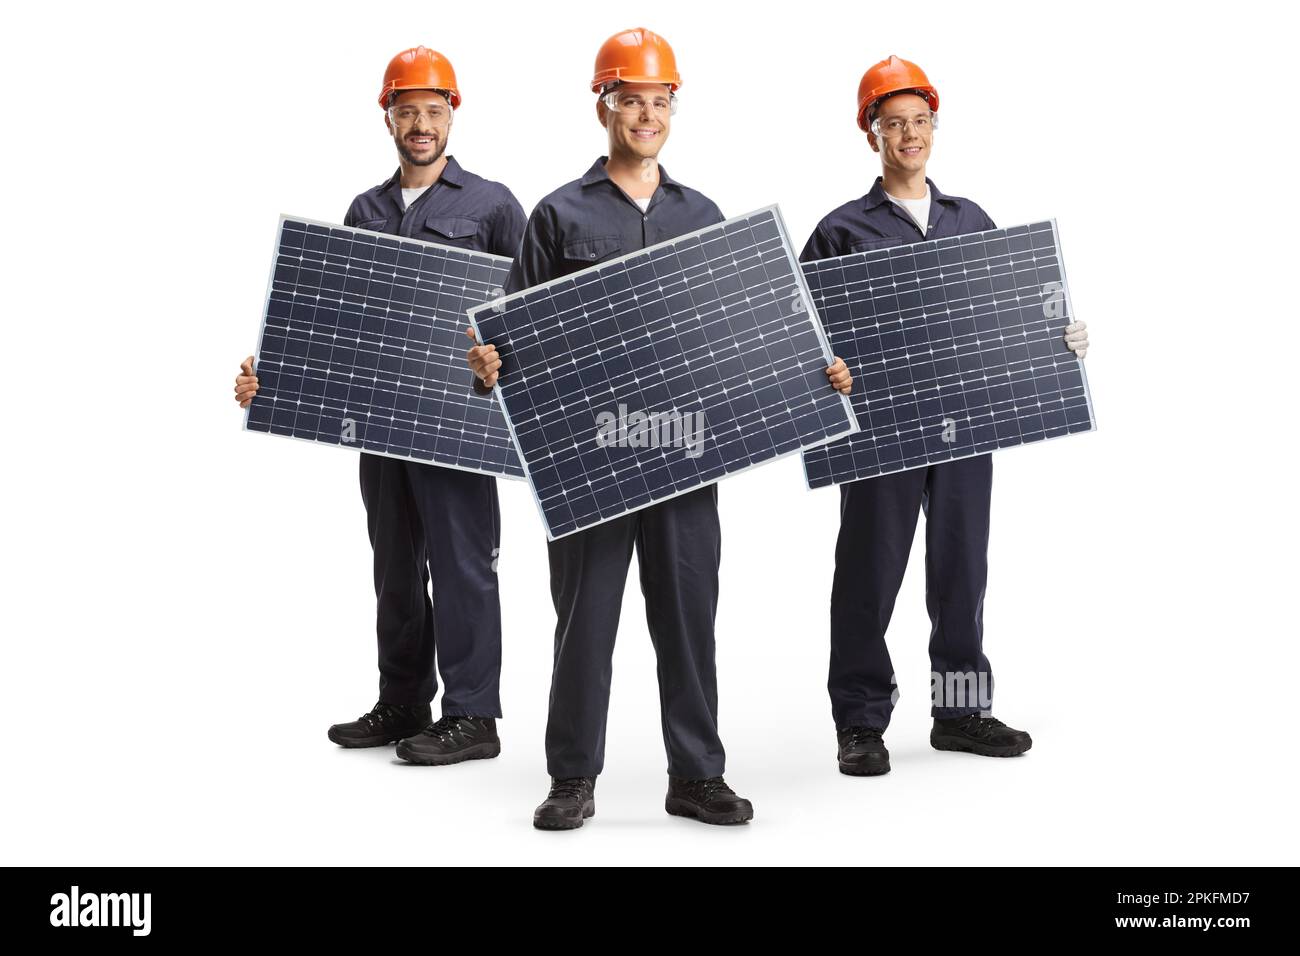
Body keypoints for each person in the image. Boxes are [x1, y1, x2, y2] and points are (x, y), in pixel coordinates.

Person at [469, 27, 852, 829]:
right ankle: (572, 778)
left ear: (673, 109)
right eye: (631, 99)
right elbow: (509, 337)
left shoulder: (704, 214)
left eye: (660, 101)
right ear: (603, 105)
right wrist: (490, 366)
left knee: (687, 619)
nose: (646, 115)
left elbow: (745, 335)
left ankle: (697, 775)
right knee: (584, 624)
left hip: (684, 451)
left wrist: (813, 374)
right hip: (591, 459)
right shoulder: (556, 215)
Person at [234, 46, 527, 766]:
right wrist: (273, 374)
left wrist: (506, 378)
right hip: (380, 419)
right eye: (407, 111)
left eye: (432, 111)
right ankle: (402, 701)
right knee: (394, 563)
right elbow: (336, 322)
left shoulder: (492, 205)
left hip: (458, 421)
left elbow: (528, 314)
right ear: (388, 117)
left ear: (451, 115)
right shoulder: (364, 210)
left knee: (463, 565)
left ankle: (472, 715)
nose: (420, 124)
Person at [800, 55, 1089, 776]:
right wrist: (827, 369)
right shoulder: (840, 230)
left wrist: (1060, 334)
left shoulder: (972, 220)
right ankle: (861, 724)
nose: (908, 135)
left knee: (962, 570)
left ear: (934, 127)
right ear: (872, 134)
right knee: (868, 574)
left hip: (965, 426)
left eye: (919, 121)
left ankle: (960, 713)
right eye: (893, 123)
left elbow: (1010, 311)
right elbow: (797, 331)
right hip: (881, 431)